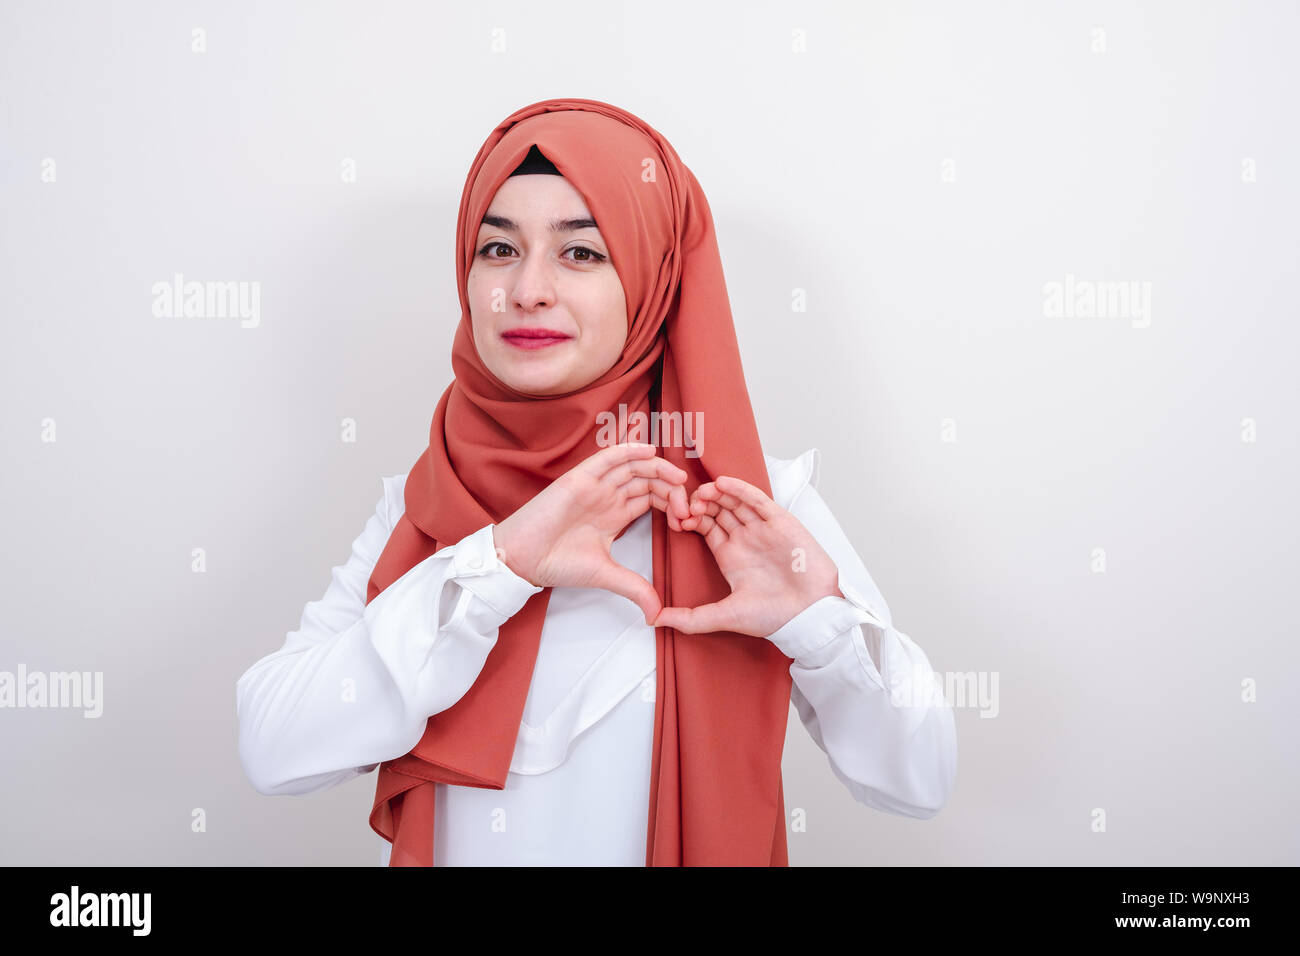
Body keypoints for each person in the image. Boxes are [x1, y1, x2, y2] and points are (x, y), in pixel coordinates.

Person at [236, 98, 957, 866]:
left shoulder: (745, 506)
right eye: (498, 249)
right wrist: (499, 566)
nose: (528, 290)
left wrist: (816, 625)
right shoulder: (428, 507)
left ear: (651, 282)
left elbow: (920, 778)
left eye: (581, 253)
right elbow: (273, 747)